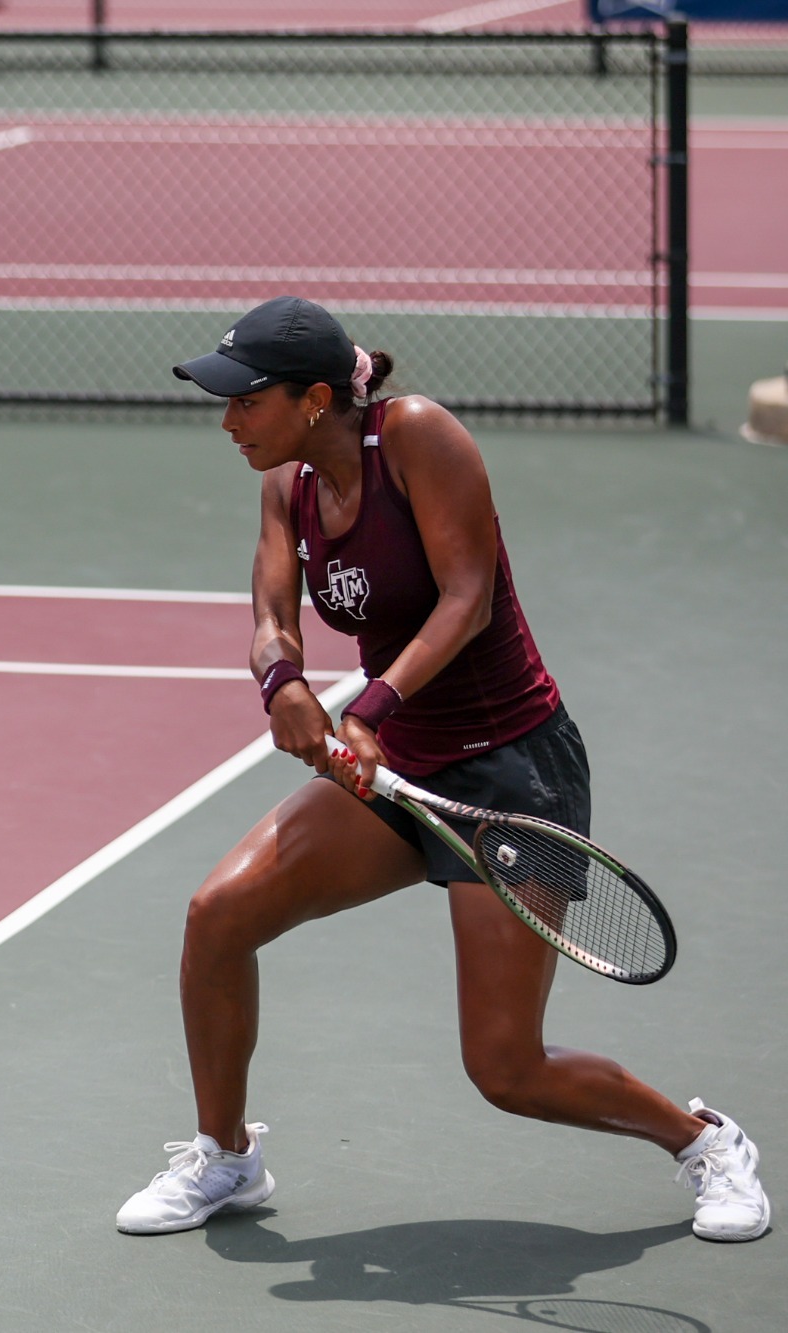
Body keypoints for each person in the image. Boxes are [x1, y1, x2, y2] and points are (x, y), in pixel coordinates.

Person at [113, 295, 770, 1243]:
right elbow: (271, 618)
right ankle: (226, 1158)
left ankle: (703, 1141)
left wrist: (368, 708)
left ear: (314, 399)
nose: (227, 421)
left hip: (512, 773)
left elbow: (466, 597)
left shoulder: (417, 437)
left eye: (245, 401)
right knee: (219, 916)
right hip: (403, 771)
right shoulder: (285, 485)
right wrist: (283, 683)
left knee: (507, 1067)